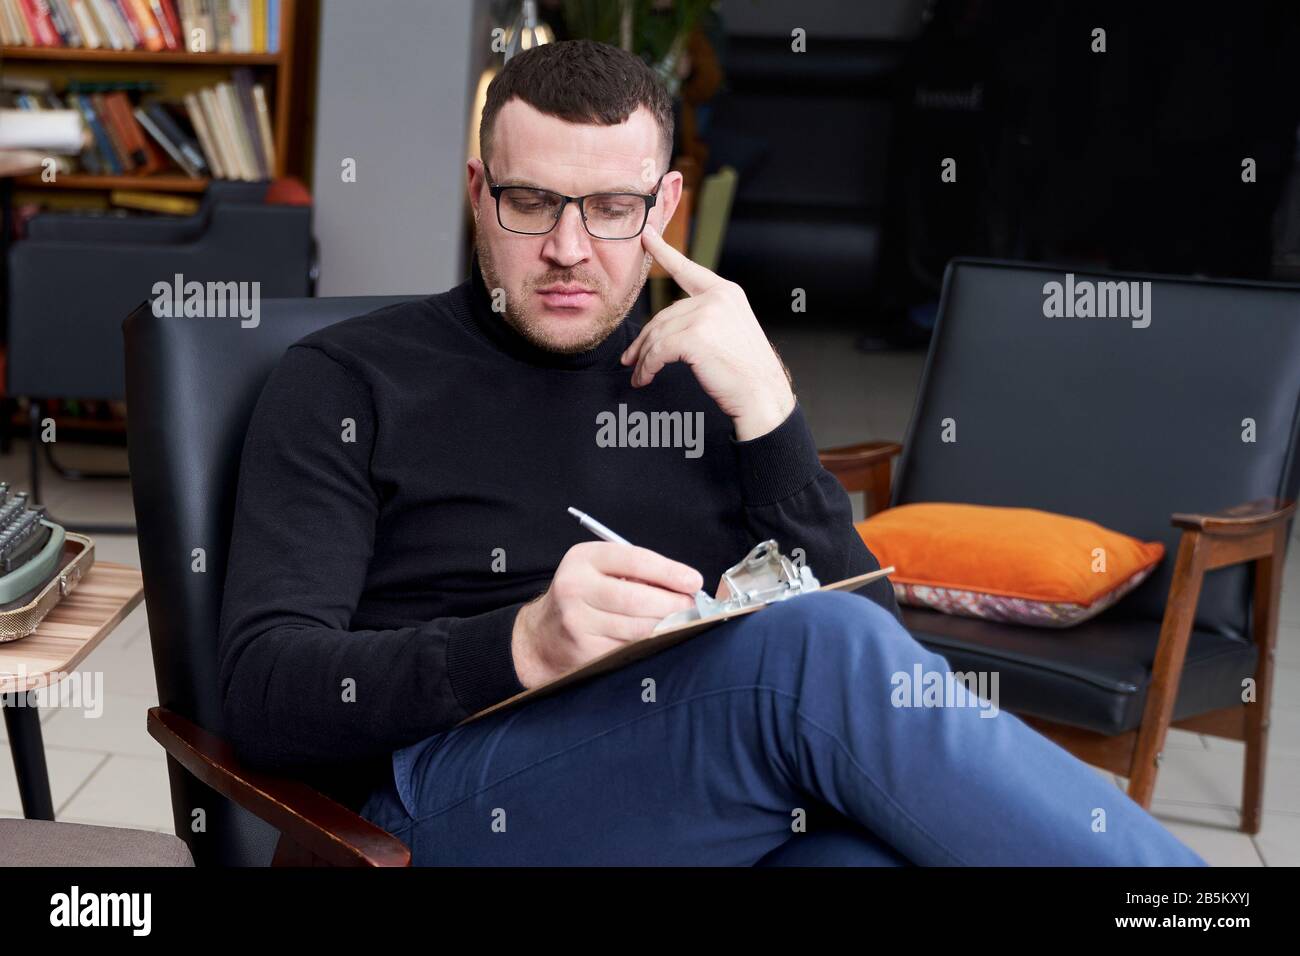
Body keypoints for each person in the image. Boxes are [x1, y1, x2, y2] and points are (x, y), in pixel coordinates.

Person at [217, 39, 1204, 866]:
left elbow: (883, 682)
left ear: (665, 206)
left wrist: (771, 412)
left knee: (879, 849)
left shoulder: (708, 376)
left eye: (611, 207)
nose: (569, 247)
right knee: (802, 653)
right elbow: (261, 690)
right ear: (479, 192)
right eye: (531, 202)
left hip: (683, 794)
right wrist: (521, 642)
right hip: (432, 808)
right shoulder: (347, 380)